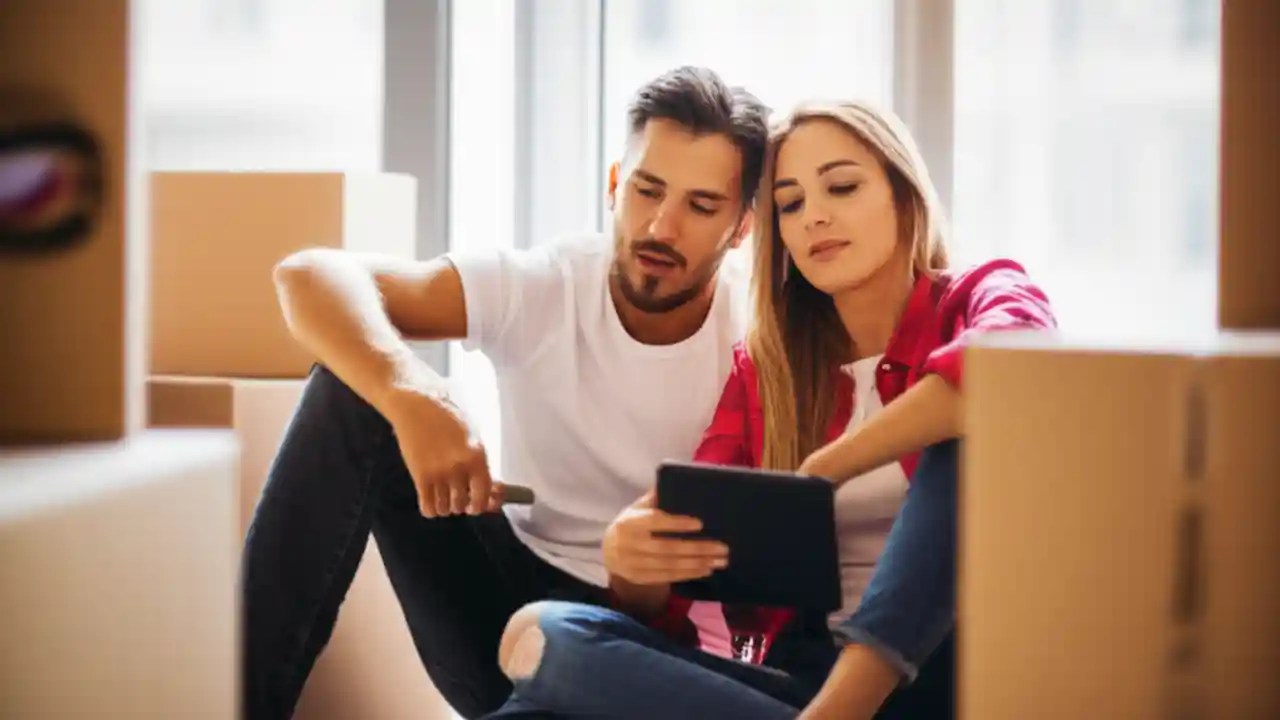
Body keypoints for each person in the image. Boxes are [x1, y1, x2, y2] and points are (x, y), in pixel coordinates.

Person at [488, 99, 1057, 719]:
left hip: (953, 671)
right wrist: (634, 571)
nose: (815, 217)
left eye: (841, 187)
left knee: (964, 438)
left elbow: (1007, 372)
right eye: (790, 202)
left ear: (903, 194)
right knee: (550, 634)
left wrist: (824, 470)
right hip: (802, 675)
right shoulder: (765, 370)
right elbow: (688, 583)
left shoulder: (983, 293)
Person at [239, 66, 769, 720]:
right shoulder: (544, 284)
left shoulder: (759, 335)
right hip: (502, 604)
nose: (661, 227)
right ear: (613, 185)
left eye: (701, 205)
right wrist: (414, 396)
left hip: (655, 642)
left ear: (743, 227)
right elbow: (308, 275)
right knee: (351, 392)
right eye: (647, 189)